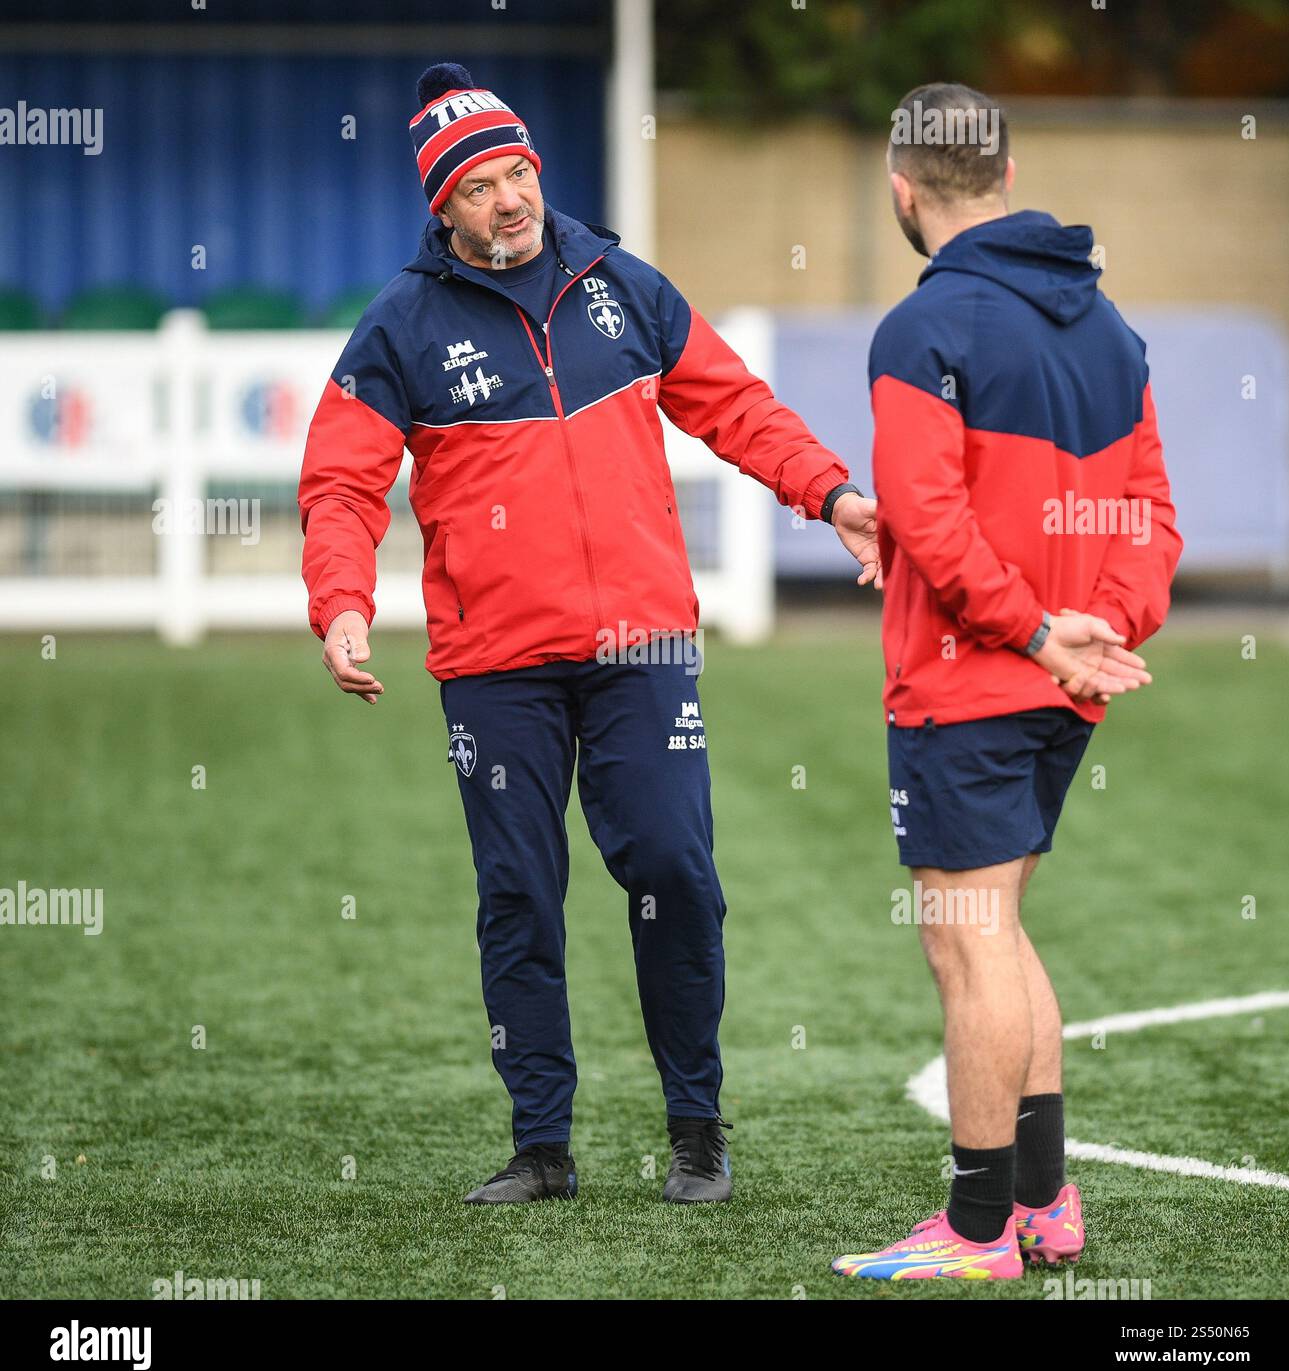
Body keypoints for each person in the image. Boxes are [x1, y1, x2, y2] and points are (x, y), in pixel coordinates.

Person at [298, 63, 879, 1205]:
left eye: (519, 173)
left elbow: (736, 405)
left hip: (645, 648)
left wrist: (832, 493)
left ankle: (696, 1129)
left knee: (676, 872)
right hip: (495, 663)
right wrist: (343, 603)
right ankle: (542, 1147)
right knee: (519, 892)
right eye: (480, 186)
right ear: (443, 208)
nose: (509, 199)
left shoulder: (622, 284)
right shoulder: (399, 326)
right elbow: (341, 483)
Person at [832, 83, 1181, 1279]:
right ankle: (1044, 1200)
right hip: (1056, 684)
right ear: (1006, 173)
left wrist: (1036, 631)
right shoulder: (1110, 328)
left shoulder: (919, 330)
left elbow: (927, 516)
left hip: (973, 677)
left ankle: (978, 1230)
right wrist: (1096, 626)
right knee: (1001, 927)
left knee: (966, 936)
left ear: (902, 188)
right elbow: (1151, 519)